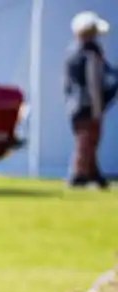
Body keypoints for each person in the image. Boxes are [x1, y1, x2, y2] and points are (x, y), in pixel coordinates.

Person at [66, 11, 115, 189]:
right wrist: (97, 108)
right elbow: (93, 81)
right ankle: (78, 174)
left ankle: (95, 175)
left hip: (74, 105)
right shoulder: (90, 54)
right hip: (87, 105)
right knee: (87, 140)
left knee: (87, 140)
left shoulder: (72, 52)